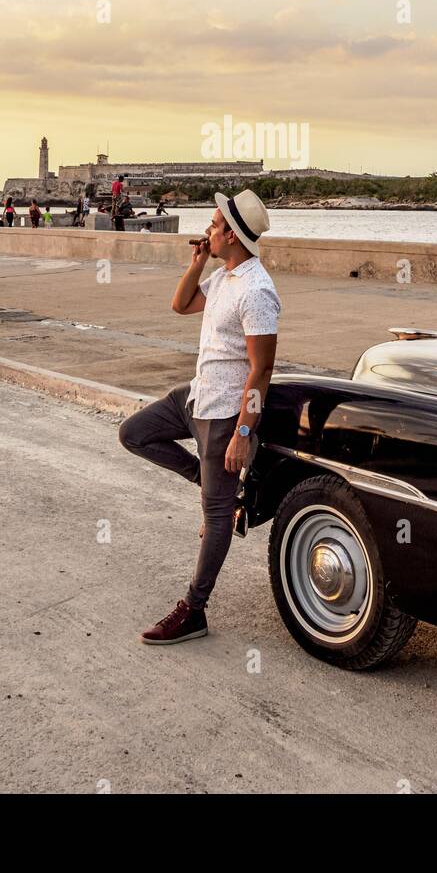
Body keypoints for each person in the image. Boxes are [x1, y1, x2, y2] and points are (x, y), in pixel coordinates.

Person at [119, 190, 278, 645]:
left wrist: (243, 433)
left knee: (215, 516)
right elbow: (182, 305)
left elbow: (261, 369)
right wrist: (197, 262)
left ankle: (194, 610)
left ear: (231, 234)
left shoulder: (257, 290)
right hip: (195, 396)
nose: (207, 230)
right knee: (134, 433)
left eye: (213, 225)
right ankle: (216, 490)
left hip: (226, 411)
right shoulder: (226, 275)